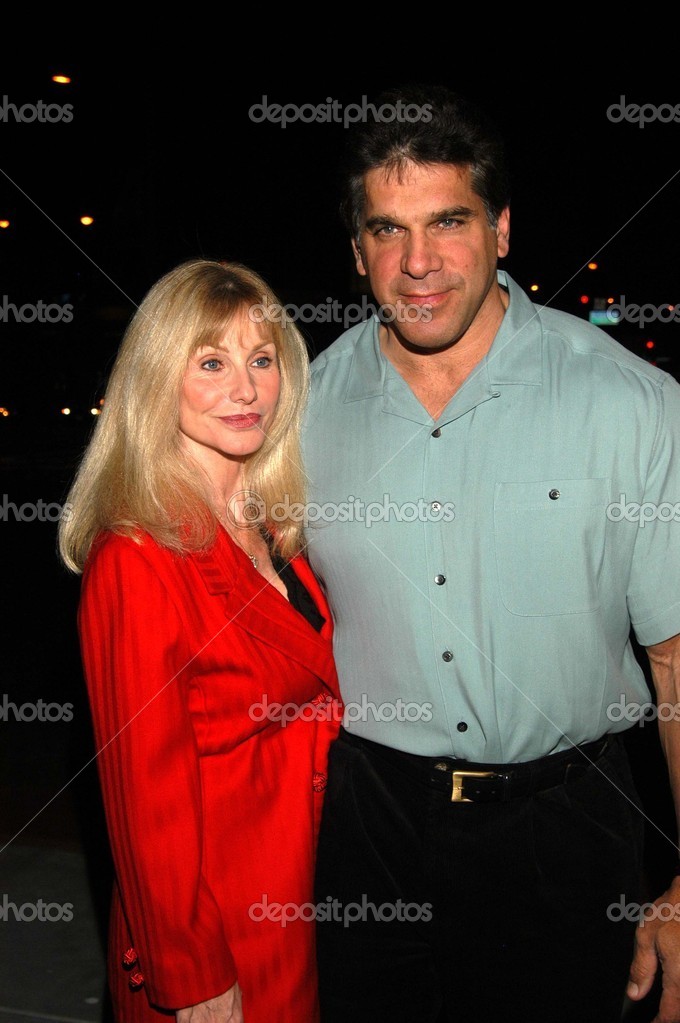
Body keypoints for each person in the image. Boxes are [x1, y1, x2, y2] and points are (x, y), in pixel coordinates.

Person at [302, 84, 680, 1022]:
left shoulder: (630, 403)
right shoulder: (298, 409)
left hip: (568, 823)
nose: (418, 262)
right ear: (357, 250)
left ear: (503, 230)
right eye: (387, 230)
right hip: (367, 823)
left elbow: (677, 662)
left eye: (450, 222)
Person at [59, 259, 341, 1023]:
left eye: (261, 359)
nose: (245, 388)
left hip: (296, 893)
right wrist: (190, 971)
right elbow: (142, 792)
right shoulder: (138, 553)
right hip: (218, 927)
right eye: (211, 362)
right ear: (158, 379)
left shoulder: (269, 524)